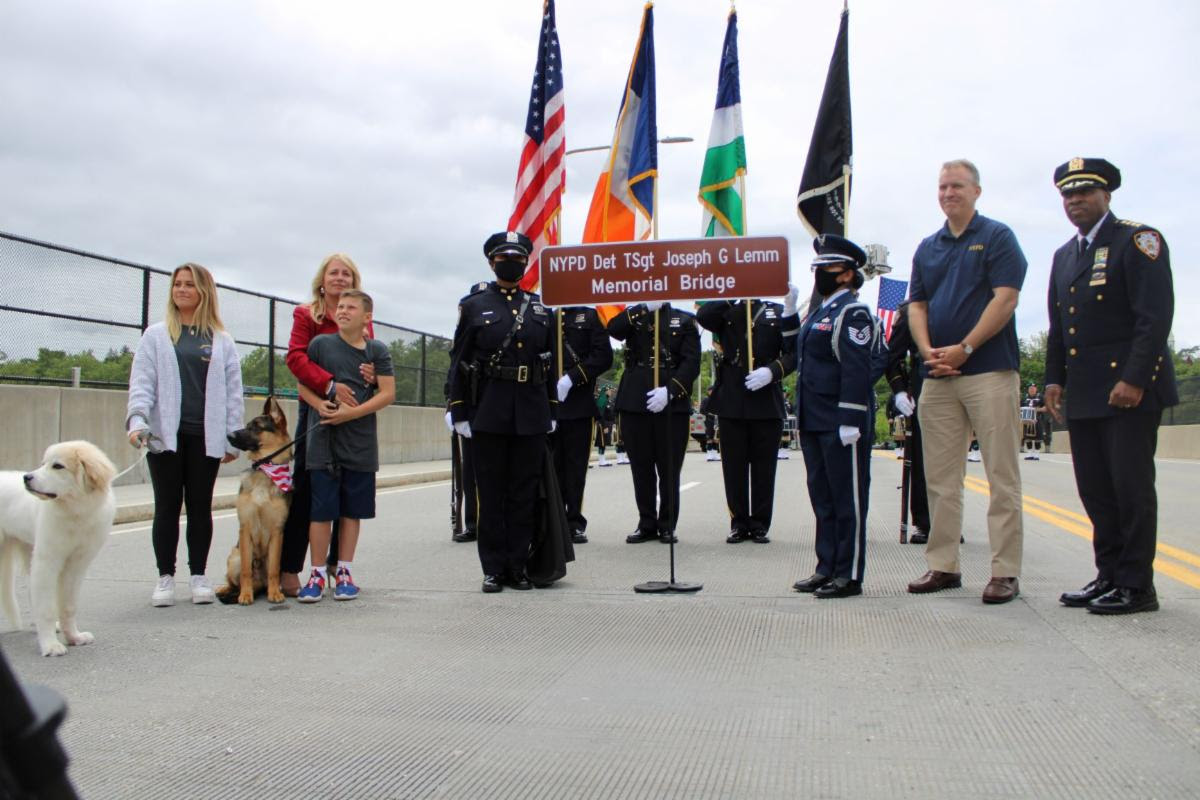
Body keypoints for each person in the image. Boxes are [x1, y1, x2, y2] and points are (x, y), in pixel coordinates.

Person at [1044, 158, 1177, 615]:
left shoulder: (1138, 241)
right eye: (1068, 194)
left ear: (1106, 196)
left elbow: (1154, 317)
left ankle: (1138, 585)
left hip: (1129, 391)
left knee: (1131, 489)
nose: (1075, 200)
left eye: (1085, 192)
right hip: (1084, 393)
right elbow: (1060, 328)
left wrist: (1135, 379)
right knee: (1096, 490)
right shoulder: (1065, 256)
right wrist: (1053, 380)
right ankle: (1109, 575)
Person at [904, 159, 1027, 605]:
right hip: (937, 376)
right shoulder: (927, 246)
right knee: (940, 477)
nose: (948, 193)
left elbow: (1006, 298)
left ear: (977, 191)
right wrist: (927, 351)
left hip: (988, 370)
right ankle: (943, 564)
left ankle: (1005, 571)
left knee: (1001, 475)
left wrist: (966, 348)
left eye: (957, 185)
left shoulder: (997, 237)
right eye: (942, 186)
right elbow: (915, 304)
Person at [127, 263, 243, 607]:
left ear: (203, 291)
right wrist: (137, 420)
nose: (181, 290)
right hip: (165, 436)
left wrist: (232, 437)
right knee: (166, 507)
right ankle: (165, 577)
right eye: (177, 284)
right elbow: (142, 382)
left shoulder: (221, 341)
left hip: (204, 436)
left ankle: (198, 576)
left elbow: (233, 392)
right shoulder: (156, 335)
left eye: (189, 285)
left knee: (199, 507)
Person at [448, 231, 557, 593]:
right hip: (489, 411)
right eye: (504, 258)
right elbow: (459, 360)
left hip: (530, 410)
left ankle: (518, 565)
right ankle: (493, 568)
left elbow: (551, 364)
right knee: (491, 493)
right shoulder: (475, 305)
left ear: (526, 262)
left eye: (518, 257)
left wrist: (551, 408)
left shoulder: (541, 308)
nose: (511, 262)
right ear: (492, 263)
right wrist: (458, 409)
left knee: (523, 493)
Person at [785, 235, 882, 599]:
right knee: (823, 499)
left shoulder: (853, 313)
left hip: (841, 423)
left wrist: (851, 418)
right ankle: (826, 567)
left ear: (845, 275)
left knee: (848, 500)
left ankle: (849, 573)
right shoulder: (822, 311)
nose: (819, 274)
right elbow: (799, 349)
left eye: (825, 269)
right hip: (814, 420)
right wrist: (791, 310)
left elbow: (857, 369)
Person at [282, 254, 375, 596]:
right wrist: (329, 385)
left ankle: (338, 566)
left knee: (347, 491)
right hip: (318, 407)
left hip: (352, 412)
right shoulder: (307, 315)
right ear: (322, 280)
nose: (339, 278)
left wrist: (371, 375)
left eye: (346, 274)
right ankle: (291, 567)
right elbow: (296, 358)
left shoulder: (360, 319)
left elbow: (371, 360)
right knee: (308, 490)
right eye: (333, 273)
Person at [294, 290, 395, 602]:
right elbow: (303, 385)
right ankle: (316, 573)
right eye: (340, 307)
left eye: (352, 307)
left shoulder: (377, 350)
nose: (343, 311)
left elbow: (388, 393)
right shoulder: (321, 345)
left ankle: (345, 571)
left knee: (352, 511)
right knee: (321, 510)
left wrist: (353, 413)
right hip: (323, 442)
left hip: (360, 443)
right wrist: (319, 405)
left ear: (367, 317)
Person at [696, 297, 796, 544]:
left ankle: (760, 524)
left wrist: (772, 371)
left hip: (766, 397)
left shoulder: (776, 311)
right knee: (733, 468)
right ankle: (738, 522)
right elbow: (704, 316)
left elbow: (793, 354)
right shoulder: (727, 309)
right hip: (733, 398)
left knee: (764, 469)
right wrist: (730, 293)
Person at [607, 301, 701, 544]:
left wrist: (670, 392)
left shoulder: (685, 320)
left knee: (669, 468)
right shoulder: (635, 315)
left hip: (671, 401)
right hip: (635, 399)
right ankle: (646, 522)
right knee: (641, 468)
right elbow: (614, 329)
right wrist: (643, 308)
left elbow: (691, 364)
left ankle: (667, 525)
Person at [551, 305, 613, 544]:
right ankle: (553, 519)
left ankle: (573, 520)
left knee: (575, 469)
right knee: (552, 466)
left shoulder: (590, 316)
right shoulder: (548, 316)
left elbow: (603, 356)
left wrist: (572, 378)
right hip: (549, 404)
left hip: (577, 402)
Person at [885, 300, 932, 543]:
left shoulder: (958, 298)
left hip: (957, 386)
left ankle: (949, 521)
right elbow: (893, 355)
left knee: (951, 463)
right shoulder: (909, 309)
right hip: (923, 389)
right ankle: (925, 522)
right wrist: (900, 390)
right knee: (922, 462)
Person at [1022, 383, 1047, 460]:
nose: (1032, 390)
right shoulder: (1025, 398)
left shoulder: (1040, 397)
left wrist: (1038, 409)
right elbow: (1021, 407)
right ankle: (1030, 453)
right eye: (1030, 388)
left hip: (1037, 419)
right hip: (1027, 420)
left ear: (1036, 389)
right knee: (1027, 437)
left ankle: (1036, 454)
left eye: (1033, 388)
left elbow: (1046, 407)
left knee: (1038, 437)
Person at [596, 386, 615, 467]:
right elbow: (601, 414)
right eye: (610, 390)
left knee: (605, 442)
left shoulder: (607, 400)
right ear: (606, 391)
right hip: (603, 423)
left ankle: (603, 460)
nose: (611, 392)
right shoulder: (602, 399)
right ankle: (601, 461)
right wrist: (604, 426)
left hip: (608, 423)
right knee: (602, 442)